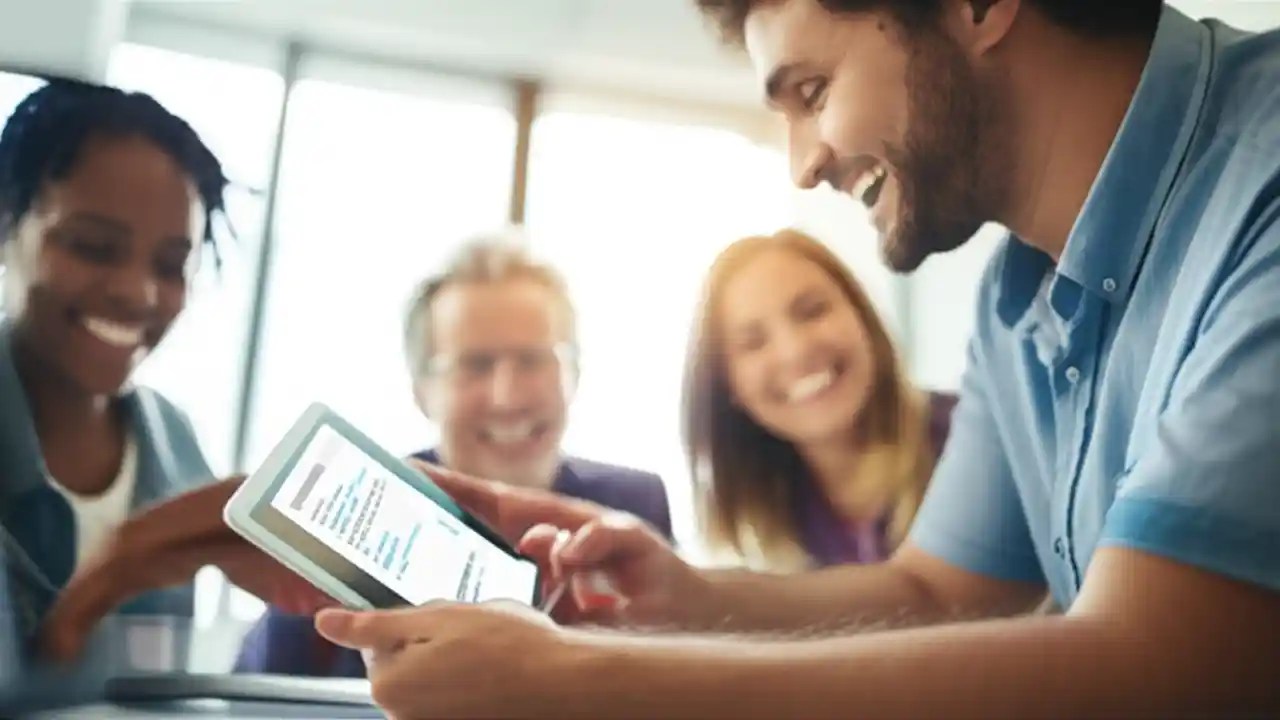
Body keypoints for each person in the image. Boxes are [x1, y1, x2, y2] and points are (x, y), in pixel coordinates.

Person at [36, 0, 1280, 716]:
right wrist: (689, 597)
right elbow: (940, 594)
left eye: (808, 87)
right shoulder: (1020, 289)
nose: (800, 162)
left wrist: (591, 684)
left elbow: (1151, 668)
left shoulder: (1263, 177)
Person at [232, 237, 672, 676]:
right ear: (422, 391)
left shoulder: (633, 508)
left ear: (573, 373)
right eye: (475, 365)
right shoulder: (356, 516)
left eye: (534, 360)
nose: (508, 397)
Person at [0, 80, 227, 654]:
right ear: (7, 227)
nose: (135, 292)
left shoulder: (176, 450)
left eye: (172, 264)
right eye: (94, 247)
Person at [686, 229, 954, 570]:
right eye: (753, 342)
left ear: (863, 318)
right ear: (727, 388)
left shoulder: (976, 441)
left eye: (812, 312)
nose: (795, 351)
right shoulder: (750, 536)